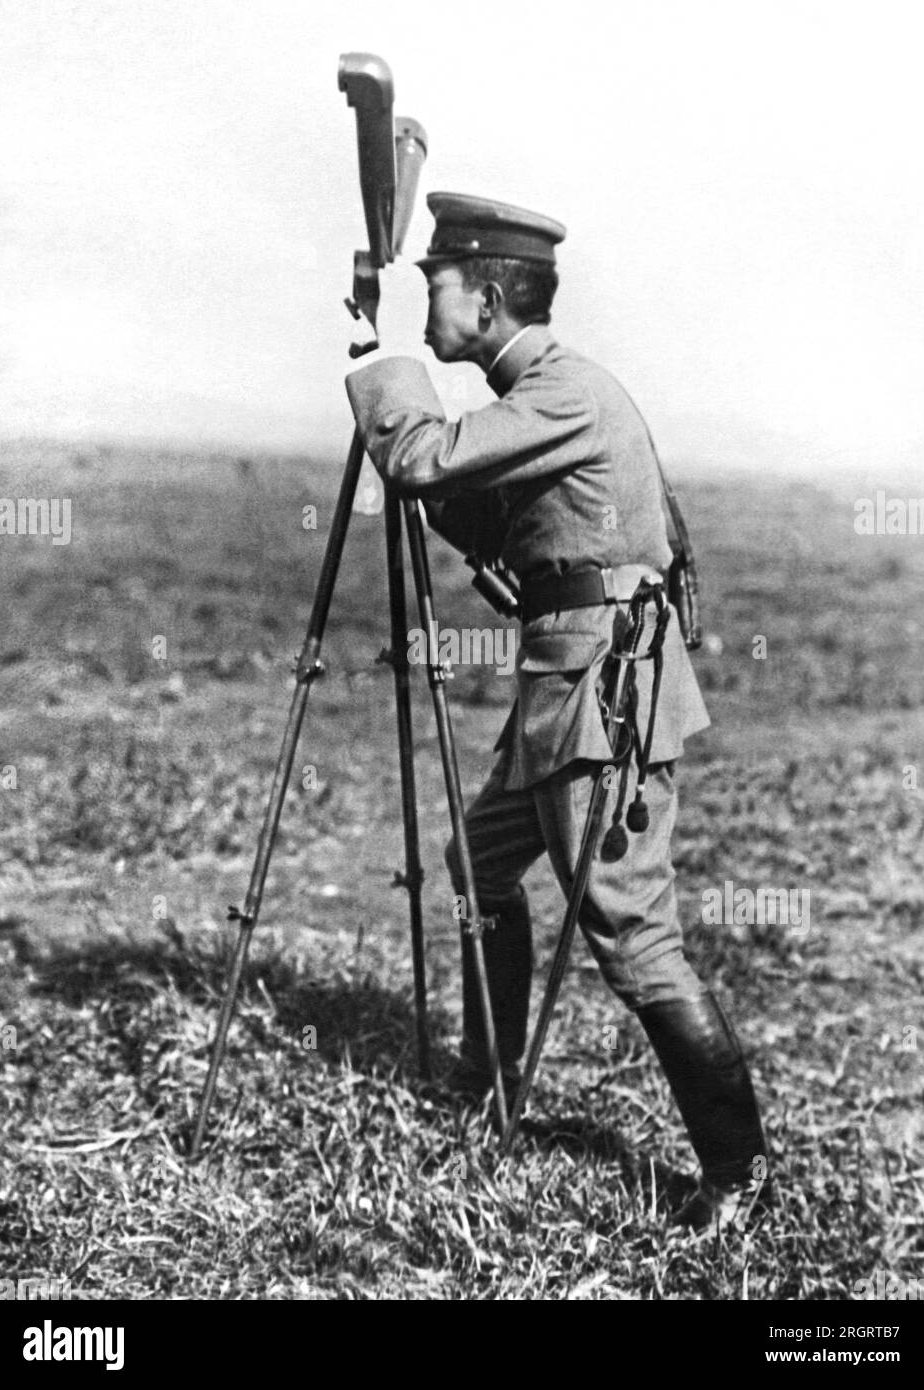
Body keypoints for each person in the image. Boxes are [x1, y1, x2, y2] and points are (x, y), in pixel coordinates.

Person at [345, 193, 767, 1233]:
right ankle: (489, 1078)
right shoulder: (534, 394)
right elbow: (470, 502)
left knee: (632, 934)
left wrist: (369, 358)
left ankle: (736, 1177)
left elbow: (420, 459)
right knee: (477, 867)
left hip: (598, 695)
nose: (420, 302)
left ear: (486, 299)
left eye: (433, 284)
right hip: (562, 684)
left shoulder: (563, 391)